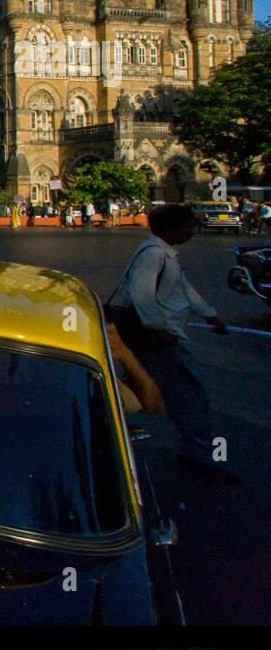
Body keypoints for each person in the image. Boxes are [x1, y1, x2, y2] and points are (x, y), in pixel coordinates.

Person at [110, 204, 234, 480]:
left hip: (156, 335)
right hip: (159, 337)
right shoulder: (154, 254)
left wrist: (210, 315)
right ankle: (199, 452)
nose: (192, 231)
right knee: (190, 395)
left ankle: (100, 427)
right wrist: (158, 327)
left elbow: (183, 289)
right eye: (188, 226)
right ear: (169, 228)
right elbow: (139, 293)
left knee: (140, 389)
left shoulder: (164, 255)